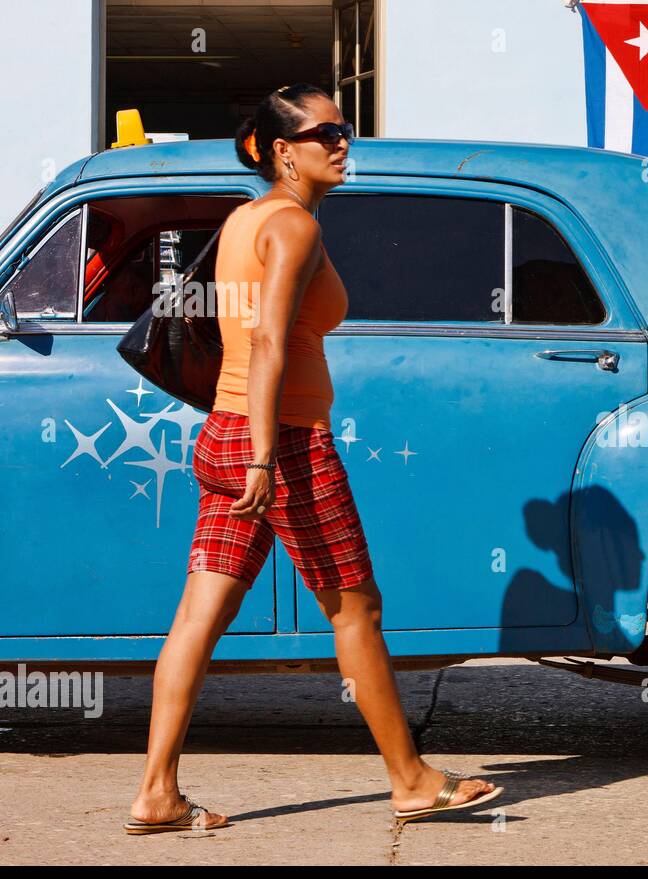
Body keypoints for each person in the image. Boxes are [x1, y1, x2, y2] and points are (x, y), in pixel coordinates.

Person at [125, 84, 501, 834]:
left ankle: (156, 793)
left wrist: (249, 448)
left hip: (226, 433)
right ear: (280, 150)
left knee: (200, 614)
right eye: (324, 132)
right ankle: (412, 780)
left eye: (345, 128)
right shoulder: (292, 226)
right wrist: (267, 458)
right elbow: (265, 340)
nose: (341, 142)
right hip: (281, 442)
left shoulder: (244, 219)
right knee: (354, 608)